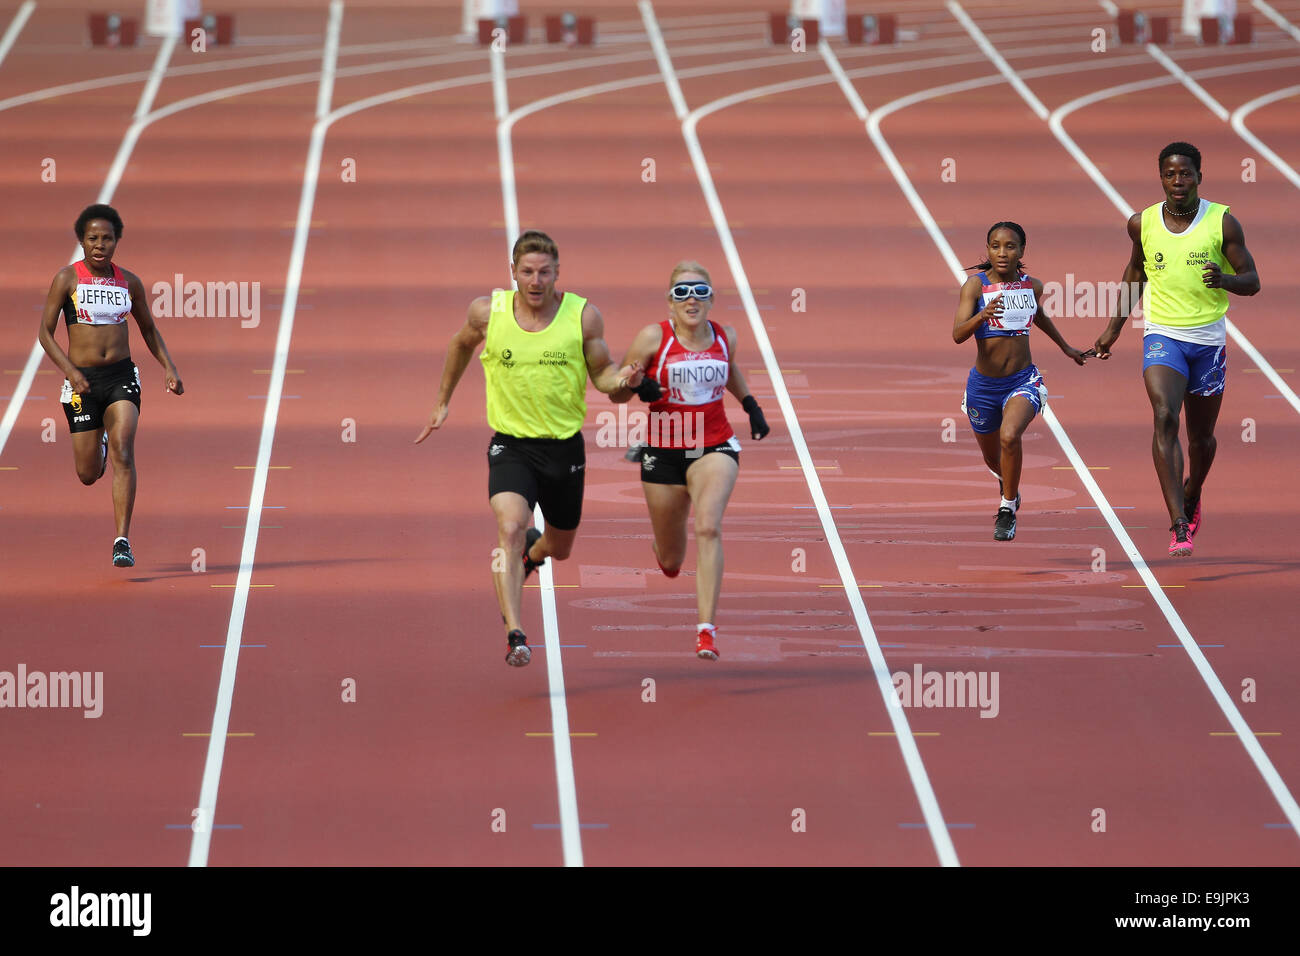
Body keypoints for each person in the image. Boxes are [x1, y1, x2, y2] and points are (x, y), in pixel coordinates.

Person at [414, 230, 647, 667]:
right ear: (513, 273)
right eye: (527, 272)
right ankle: (515, 634)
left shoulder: (583, 317)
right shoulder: (489, 312)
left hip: (564, 450)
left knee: (560, 548)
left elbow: (603, 377)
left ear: (558, 273)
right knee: (510, 524)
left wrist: (624, 384)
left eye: (544, 272)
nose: (536, 281)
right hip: (511, 446)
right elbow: (460, 344)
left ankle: (532, 554)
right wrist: (442, 401)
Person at [1094, 142, 1259, 556]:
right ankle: (1178, 523)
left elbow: (1252, 280)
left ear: (1199, 176)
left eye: (1186, 173)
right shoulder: (1143, 223)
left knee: (1201, 438)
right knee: (1165, 415)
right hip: (1162, 335)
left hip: (1208, 342)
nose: (1178, 181)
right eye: (1170, 174)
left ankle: (1193, 491)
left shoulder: (1222, 222)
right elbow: (1136, 271)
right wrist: (1113, 329)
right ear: (1161, 178)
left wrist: (1224, 280)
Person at [614, 261, 770, 661]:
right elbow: (616, 391)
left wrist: (750, 405)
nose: (692, 299)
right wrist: (636, 385)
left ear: (711, 299)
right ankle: (665, 548)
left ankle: (706, 631)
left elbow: (728, 368)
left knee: (708, 527)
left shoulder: (725, 335)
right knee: (671, 559)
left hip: (715, 447)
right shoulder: (653, 339)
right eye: (682, 292)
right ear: (670, 302)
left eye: (700, 291)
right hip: (662, 453)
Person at [38, 204, 184, 568]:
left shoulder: (129, 282)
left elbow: (148, 329)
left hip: (121, 376)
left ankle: (122, 540)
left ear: (117, 241)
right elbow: (45, 333)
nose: (100, 245)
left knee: (124, 447)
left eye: (107, 238)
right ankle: (97, 445)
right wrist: (70, 370)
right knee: (88, 475)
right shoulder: (66, 280)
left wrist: (168, 367)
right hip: (82, 383)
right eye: (92, 239)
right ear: (81, 241)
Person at [954, 222, 1089, 541]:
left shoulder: (1032, 285)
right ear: (987, 250)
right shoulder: (975, 286)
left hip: (1022, 380)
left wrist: (1066, 347)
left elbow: (1038, 314)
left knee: (1010, 435)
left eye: (1010, 246)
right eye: (996, 246)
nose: (1003, 252)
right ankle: (1007, 483)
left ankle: (1007, 508)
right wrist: (981, 316)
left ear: (1022, 251)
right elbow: (958, 334)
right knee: (993, 458)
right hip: (983, 387)